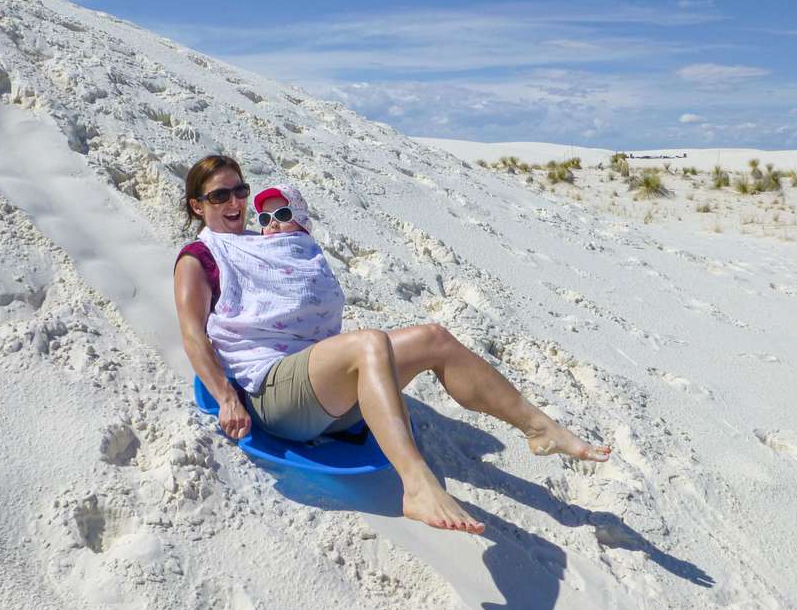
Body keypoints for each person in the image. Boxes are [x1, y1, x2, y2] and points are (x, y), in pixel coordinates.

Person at [174, 155, 611, 535]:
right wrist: (226, 399)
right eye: (218, 197)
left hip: (323, 391)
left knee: (433, 338)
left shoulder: (268, 241)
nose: (234, 203)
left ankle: (539, 429)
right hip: (274, 393)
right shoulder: (200, 257)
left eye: (239, 191)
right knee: (368, 343)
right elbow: (193, 334)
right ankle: (417, 484)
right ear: (198, 205)